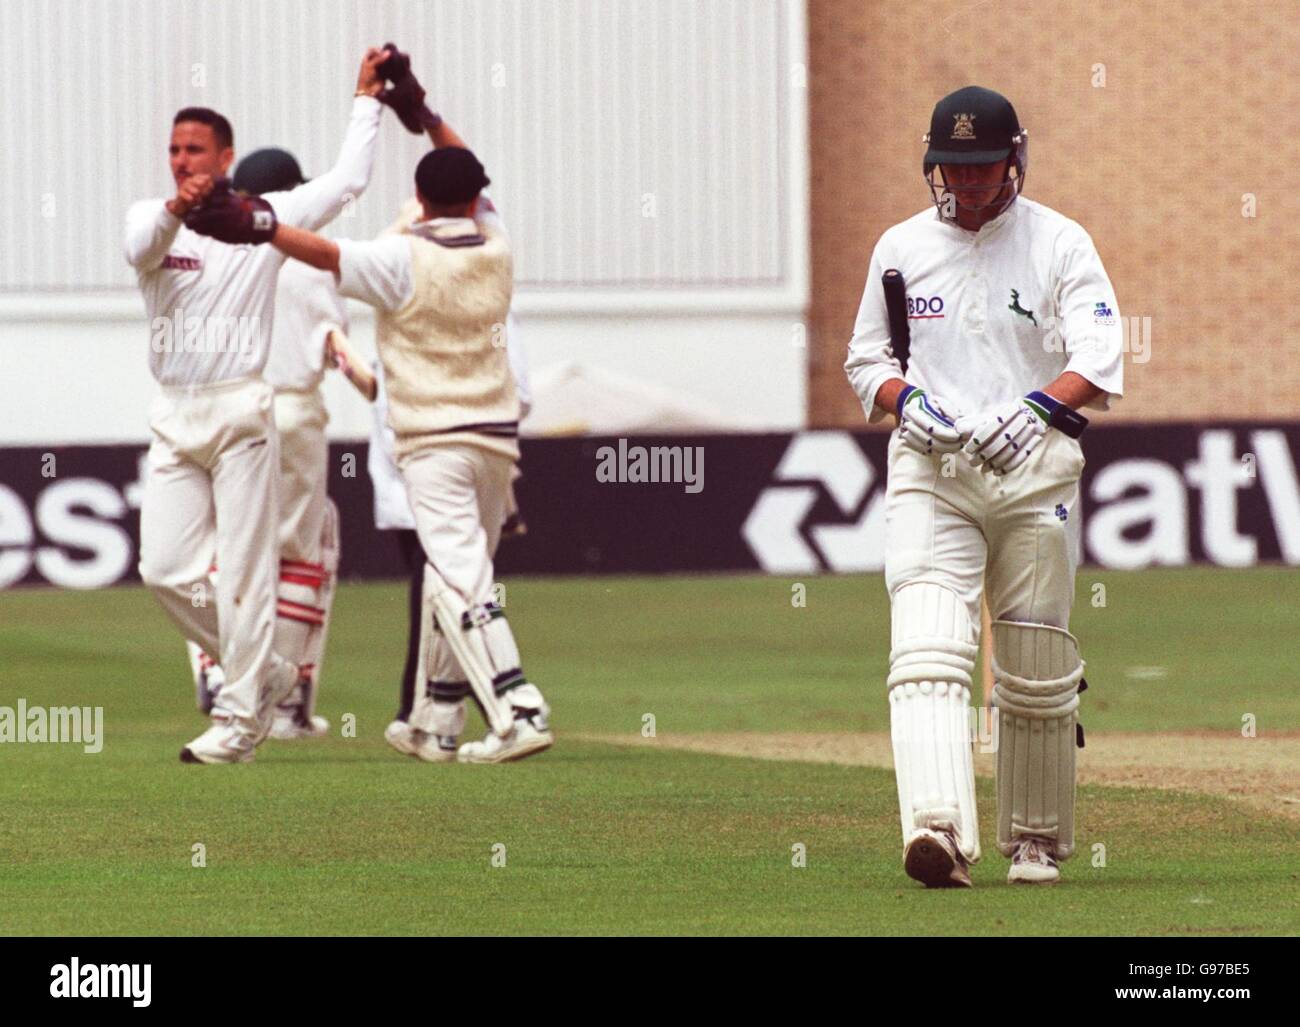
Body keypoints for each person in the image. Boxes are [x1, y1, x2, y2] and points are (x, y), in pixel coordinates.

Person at [182, 57, 552, 764]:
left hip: (434, 441)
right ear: (477, 202)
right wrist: (425, 115)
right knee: (450, 575)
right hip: (497, 443)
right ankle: (435, 721)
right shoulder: (498, 248)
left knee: (462, 576)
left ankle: (518, 706)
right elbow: (466, 173)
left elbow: (320, 249)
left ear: (417, 195)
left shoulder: (399, 259)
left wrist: (258, 222)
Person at [844, 86, 1124, 885]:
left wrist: (1036, 410)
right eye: (953, 168)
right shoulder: (899, 247)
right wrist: (910, 405)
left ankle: (1033, 840)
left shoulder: (1060, 243)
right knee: (927, 645)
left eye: (983, 166)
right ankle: (936, 829)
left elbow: (1099, 354)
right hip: (935, 469)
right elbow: (868, 360)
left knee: (1035, 662)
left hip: (1035, 473)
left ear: (1015, 159)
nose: (967, 183)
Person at [125, 48, 388, 764]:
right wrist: (178, 210)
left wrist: (366, 99)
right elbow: (138, 245)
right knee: (164, 570)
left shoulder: (264, 216)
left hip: (243, 409)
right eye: (174, 149)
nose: (183, 160)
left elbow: (348, 181)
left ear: (226, 155)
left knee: (245, 571)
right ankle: (268, 670)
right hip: (175, 413)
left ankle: (241, 722)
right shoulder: (153, 219)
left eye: (196, 149)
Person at [185, 145, 356, 741]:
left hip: (226, 409)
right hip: (294, 411)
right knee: (300, 553)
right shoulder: (304, 259)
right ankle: (281, 705)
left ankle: (218, 669)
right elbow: (335, 342)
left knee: (226, 545)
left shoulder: (211, 253)